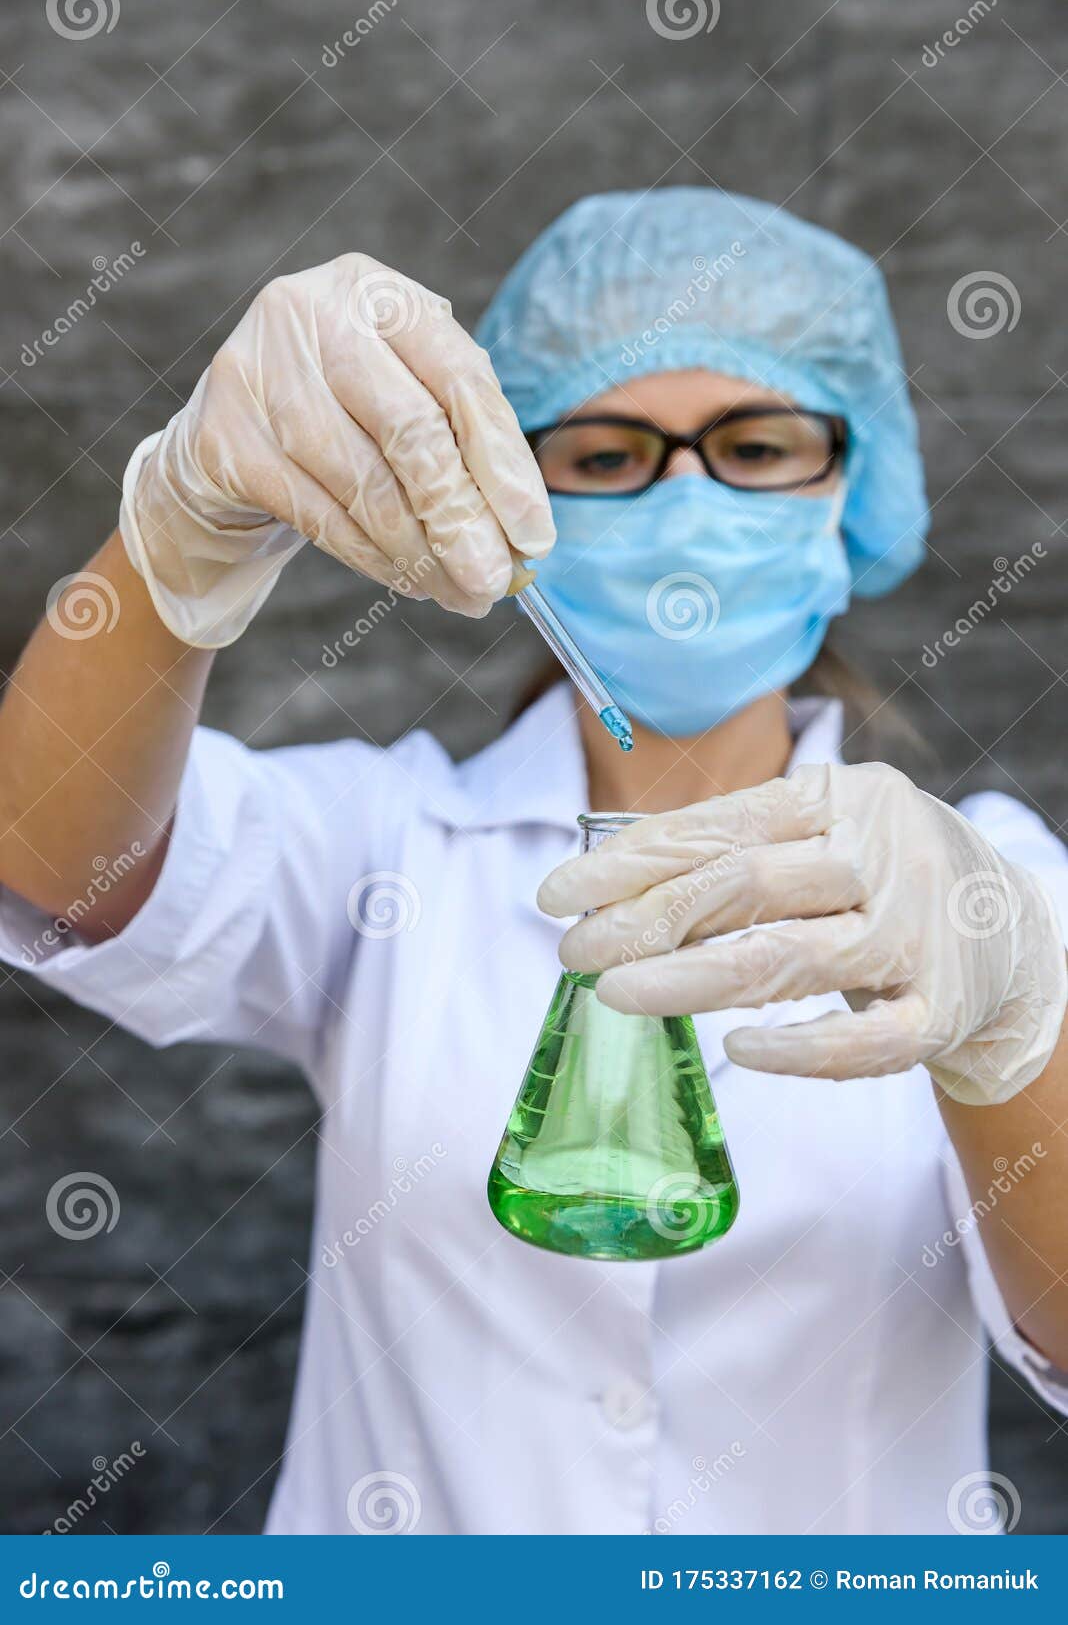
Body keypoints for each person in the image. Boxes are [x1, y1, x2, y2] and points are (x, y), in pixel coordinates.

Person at [1, 190, 1066, 1537]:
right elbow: (47, 866)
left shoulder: (992, 894)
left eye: (755, 445)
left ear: (852, 483)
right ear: (519, 496)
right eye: (608, 455)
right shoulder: (389, 846)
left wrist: (1013, 1031)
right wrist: (179, 529)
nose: (687, 497)